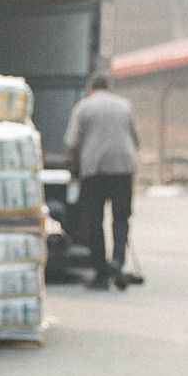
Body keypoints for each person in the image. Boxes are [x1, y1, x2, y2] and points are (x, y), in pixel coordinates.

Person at [64, 74, 140, 290]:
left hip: (94, 171)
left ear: (90, 89)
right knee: (121, 218)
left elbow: (72, 142)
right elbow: (136, 139)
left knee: (94, 222)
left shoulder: (83, 107)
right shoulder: (125, 106)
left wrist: (75, 169)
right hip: (122, 170)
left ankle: (101, 272)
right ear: (109, 88)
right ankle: (117, 261)